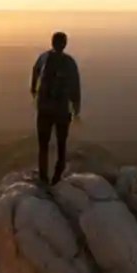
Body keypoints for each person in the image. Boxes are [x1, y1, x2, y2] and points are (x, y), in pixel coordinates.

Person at [31, 31, 81, 185]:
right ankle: (57, 177)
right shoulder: (69, 62)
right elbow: (75, 87)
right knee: (61, 144)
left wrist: (34, 90)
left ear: (52, 42)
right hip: (61, 111)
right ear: (64, 44)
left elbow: (35, 72)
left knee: (43, 144)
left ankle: (43, 176)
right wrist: (76, 108)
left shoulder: (44, 58)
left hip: (44, 109)